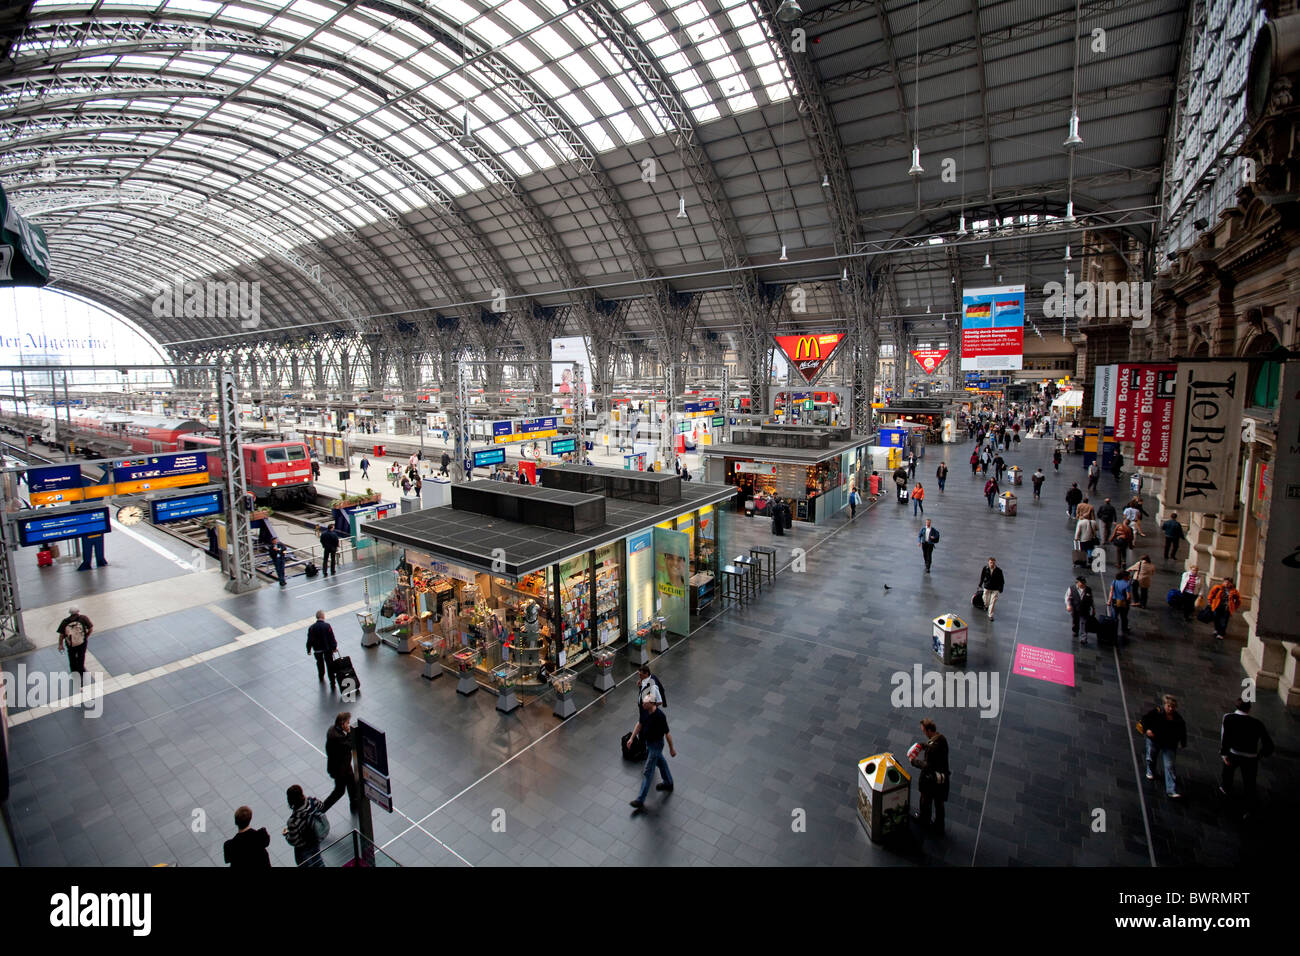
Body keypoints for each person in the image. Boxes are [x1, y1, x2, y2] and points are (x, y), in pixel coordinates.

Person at [1219, 699, 1274, 817]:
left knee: (1228, 773)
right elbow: (1268, 744)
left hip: (1234, 753)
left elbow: (1225, 736)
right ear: (1249, 709)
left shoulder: (1228, 718)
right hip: (1250, 757)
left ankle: (1225, 790)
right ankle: (1249, 807)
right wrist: (1261, 754)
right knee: (1249, 782)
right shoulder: (1257, 723)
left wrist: (1224, 753)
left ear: (1236, 706)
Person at [628, 695, 675, 811]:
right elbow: (639, 724)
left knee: (648, 772)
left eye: (645, 703)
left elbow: (667, 734)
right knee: (660, 762)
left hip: (656, 745)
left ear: (652, 704)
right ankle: (668, 782)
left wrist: (671, 748)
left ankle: (640, 799)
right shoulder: (645, 712)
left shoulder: (660, 716)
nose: (643, 704)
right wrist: (632, 738)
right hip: (649, 744)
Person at [1140, 695, 1186, 798]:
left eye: (1173, 707)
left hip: (1169, 744)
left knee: (1169, 766)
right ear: (1165, 704)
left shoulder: (1178, 719)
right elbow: (1145, 719)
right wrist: (1147, 730)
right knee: (1151, 758)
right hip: (1154, 740)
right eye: (1169, 706)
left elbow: (1182, 730)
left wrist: (1183, 742)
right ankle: (1150, 770)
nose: (1170, 709)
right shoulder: (1157, 712)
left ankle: (1171, 790)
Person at [910, 717, 949, 834]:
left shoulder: (932, 748)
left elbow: (927, 765)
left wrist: (913, 761)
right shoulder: (941, 739)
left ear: (929, 731)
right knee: (939, 803)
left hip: (930, 780)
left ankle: (924, 820)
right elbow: (933, 746)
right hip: (942, 778)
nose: (924, 733)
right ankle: (939, 826)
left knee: (925, 800)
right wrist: (923, 745)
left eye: (924, 731)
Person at [321, 712, 360, 815]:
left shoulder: (332, 730)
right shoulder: (337, 738)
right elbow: (350, 744)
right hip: (340, 770)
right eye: (348, 723)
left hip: (344, 767)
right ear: (342, 724)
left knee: (352, 784)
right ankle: (321, 810)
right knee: (339, 791)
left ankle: (354, 802)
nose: (349, 725)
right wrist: (351, 733)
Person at [283, 785, 326, 867]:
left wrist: (286, 834)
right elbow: (321, 806)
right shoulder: (313, 802)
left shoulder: (293, 821)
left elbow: (294, 841)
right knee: (318, 861)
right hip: (315, 839)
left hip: (303, 848)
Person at [56, 606, 93, 678]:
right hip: (82, 642)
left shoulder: (65, 621)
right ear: (78, 611)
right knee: (81, 656)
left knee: (72, 657)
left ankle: (74, 672)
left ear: (70, 613)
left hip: (70, 644)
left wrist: (60, 645)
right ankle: (81, 671)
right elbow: (91, 629)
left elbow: (61, 635)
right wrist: (86, 637)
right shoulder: (83, 618)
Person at [306, 610, 339, 689]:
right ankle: (332, 682)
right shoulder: (327, 626)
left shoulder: (311, 628)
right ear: (323, 616)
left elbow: (309, 640)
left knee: (320, 663)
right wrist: (334, 647)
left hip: (317, 650)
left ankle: (321, 676)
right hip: (327, 649)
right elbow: (331, 638)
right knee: (329, 665)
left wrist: (309, 650)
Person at [1066, 576, 1095, 641]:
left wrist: (1093, 608)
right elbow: (1067, 598)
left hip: (1085, 609)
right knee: (1075, 621)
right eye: (1081, 583)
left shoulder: (1088, 589)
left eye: (1084, 583)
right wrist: (1068, 605)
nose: (1083, 584)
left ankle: (1083, 638)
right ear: (1077, 582)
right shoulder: (1071, 588)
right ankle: (1075, 631)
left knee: (1084, 623)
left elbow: (1091, 600)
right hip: (1075, 608)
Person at [1108, 569, 1134, 639]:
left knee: (1114, 616)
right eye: (1129, 576)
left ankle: (1113, 629)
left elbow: (1111, 592)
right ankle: (1124, 629)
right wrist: (1129, 601)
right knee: (1124, 617)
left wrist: (1109, 601)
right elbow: (1128, 596)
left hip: (1114, 601)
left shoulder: (1114, 581)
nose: (1129, 578)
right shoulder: (1127, 584)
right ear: (1125, 577)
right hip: (1123, 603)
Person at [978, 556, 1004, 621]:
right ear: (988, 562)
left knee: (993, 602)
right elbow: (982, 576)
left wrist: (1001, 589)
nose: (992, 564)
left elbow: (1002, 581)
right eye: (990, 563)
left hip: (995, 588)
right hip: (987, 587)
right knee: (985, 599)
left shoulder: (999, 571)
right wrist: (980, 584)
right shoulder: (985, 568)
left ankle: (990, 615)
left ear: (995, 563)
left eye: (993, 563)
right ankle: (986, 606)